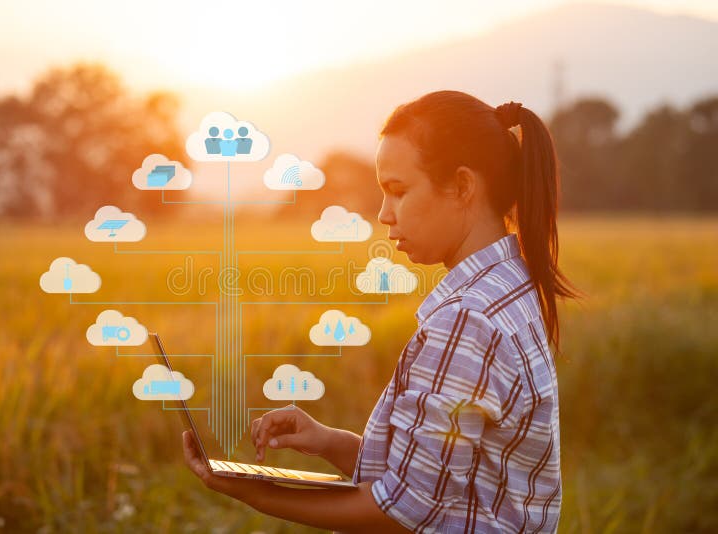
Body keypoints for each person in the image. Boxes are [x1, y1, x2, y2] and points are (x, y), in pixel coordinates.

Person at [182, 90, 579, 532]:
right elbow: (437, 479)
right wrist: (329, 441)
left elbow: (401, 511)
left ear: (463, 186)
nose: (384, 214)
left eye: (398, 191)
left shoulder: (467, 319)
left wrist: (255, 493)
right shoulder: (508, 287)